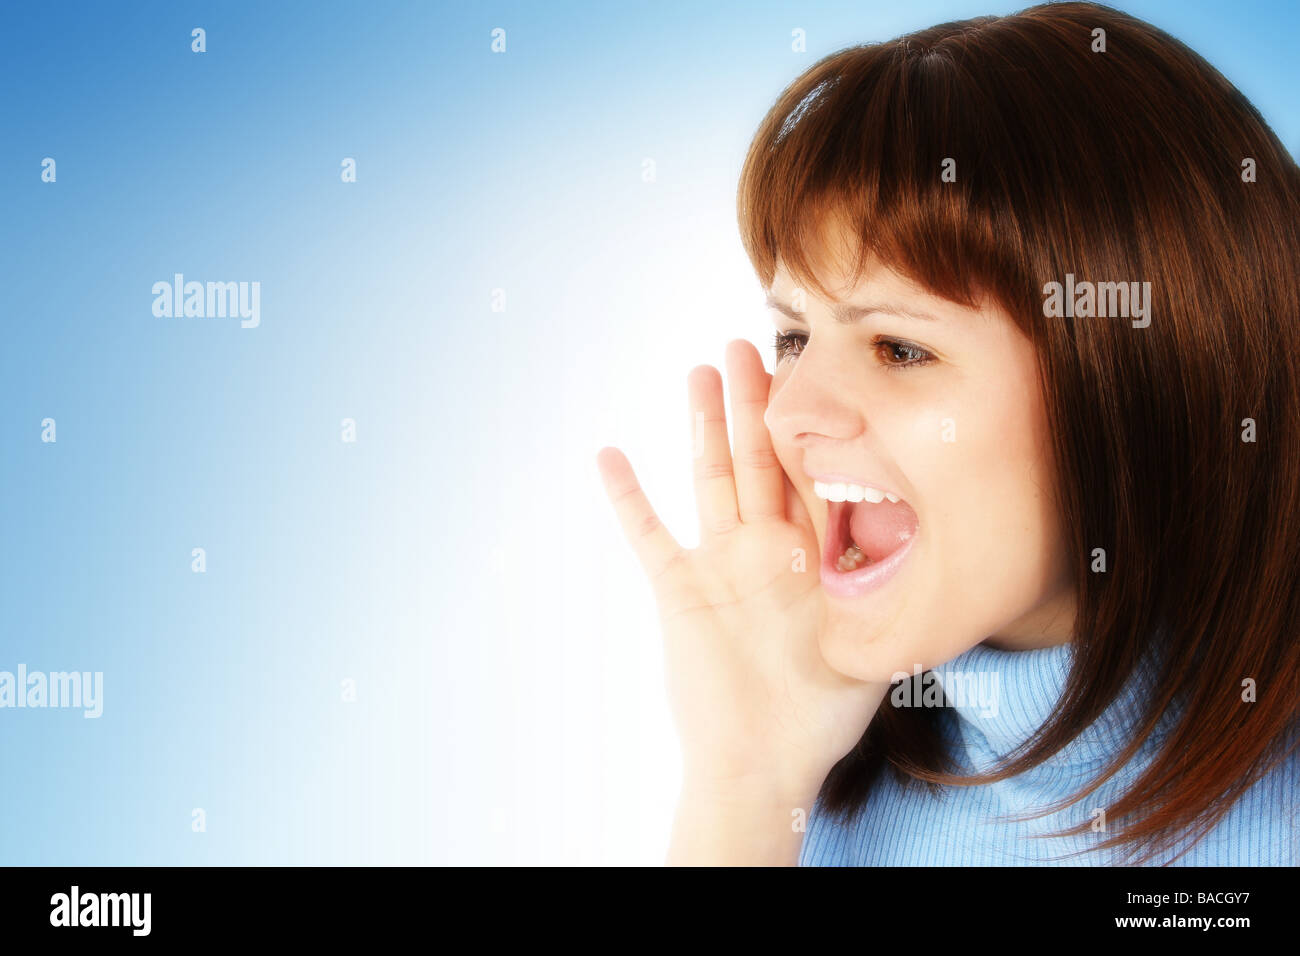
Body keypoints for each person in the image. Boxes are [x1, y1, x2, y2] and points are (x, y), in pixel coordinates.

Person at [595, 1, 1300, 865]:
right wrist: (742, 787)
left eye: (899, 346)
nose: (788, 410)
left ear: (1144, 379)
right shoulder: (795, 785)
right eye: (794, 336)